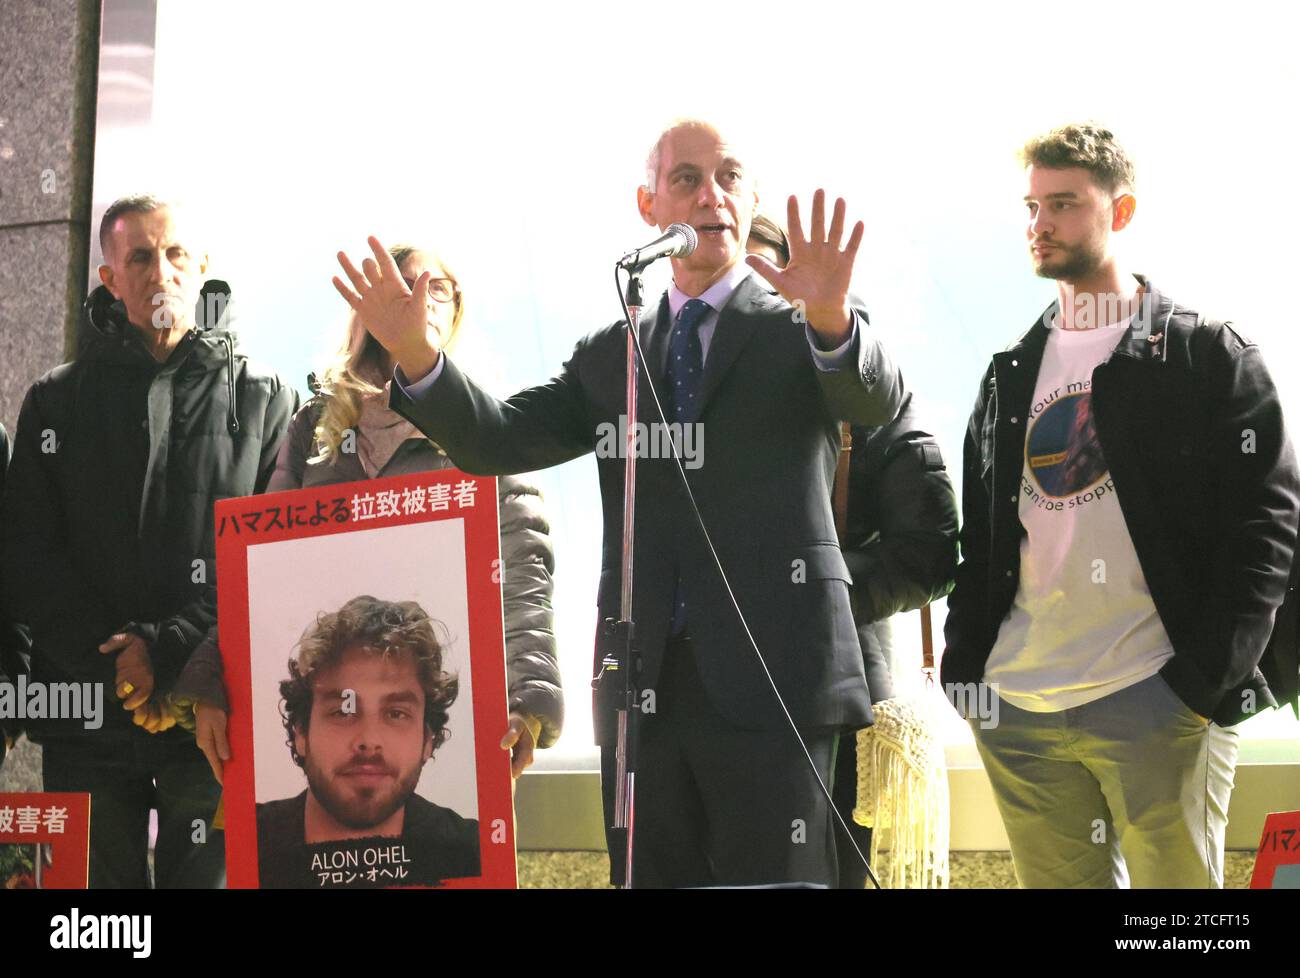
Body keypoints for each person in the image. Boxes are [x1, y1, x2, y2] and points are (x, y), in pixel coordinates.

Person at [335, 118, 906, 887]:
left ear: (752, 198)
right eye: (687, 179)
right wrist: (415, 355)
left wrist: (833, 319)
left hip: (776, 688)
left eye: (730, 177)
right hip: (647, 696)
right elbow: (498, 440)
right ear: (648, 206)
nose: (712, 195)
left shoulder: (805, 325)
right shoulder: (616, 352)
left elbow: (871, 399)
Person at [941, 123, 1300, 888]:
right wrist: (969, 669)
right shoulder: (1010, 375)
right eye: (1032, 207)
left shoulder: (1206, 356)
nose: (1040, 224)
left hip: (1156, 694)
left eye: (1064, 204)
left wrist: (1201, 682)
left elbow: (1268, 527)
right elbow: (985, 539)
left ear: (1122, 210)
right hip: (1020, 701)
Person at [172, 242, 562, 785]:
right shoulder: (316, 424)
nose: (421, 300)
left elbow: (522, 574)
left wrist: (531, 700)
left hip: (451, 723)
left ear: (457, 312)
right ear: (370, 311)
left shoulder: (492, 424)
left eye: (439, 288)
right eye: (401, 288)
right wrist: (211, 679)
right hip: (324, 718)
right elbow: (260, 567)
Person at [0, 194, 299, 887]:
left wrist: (167, 651)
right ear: (110, 277)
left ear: (200, 270)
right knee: (98, 925)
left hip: (213, 712)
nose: (159, 271)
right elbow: (27, 555)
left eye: (174, 254)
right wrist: (120, 661)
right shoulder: (55, 401)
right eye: (139, 257)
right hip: (85, 718)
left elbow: (269, 558)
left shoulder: (266, 399)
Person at [749, 215, 959, 889]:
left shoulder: (868, 391)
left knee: (830, 872)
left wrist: (815, 593)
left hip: (835, 695)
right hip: (710, 705)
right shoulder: (678, 395)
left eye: (762, 282)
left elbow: (929, 550)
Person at [256, 596, 479, 888]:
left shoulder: (472, 853)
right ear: (301, 733)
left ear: (427, 739)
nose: (369, 742)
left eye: (396, 713)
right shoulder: (244, 842)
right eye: (342, 711)